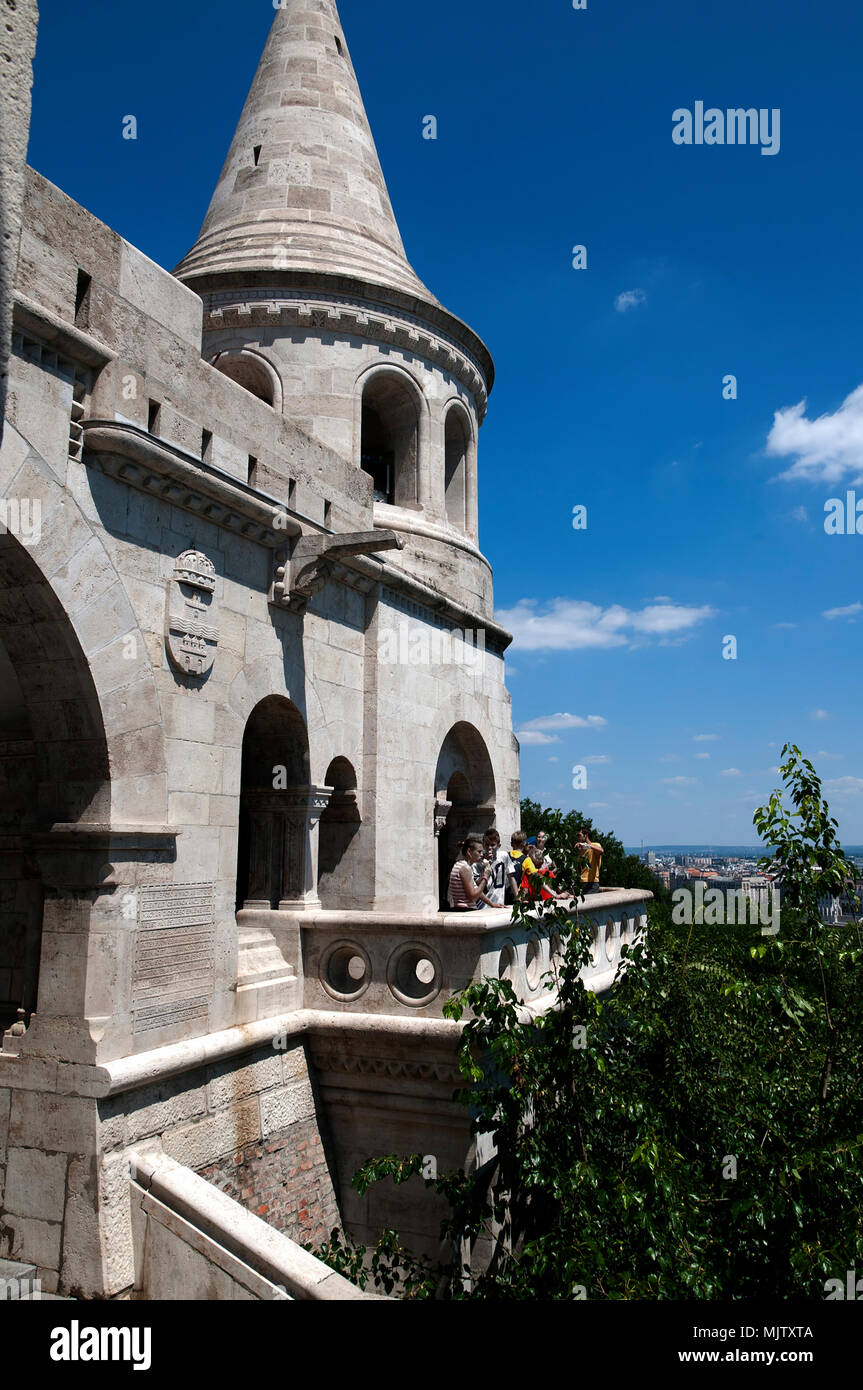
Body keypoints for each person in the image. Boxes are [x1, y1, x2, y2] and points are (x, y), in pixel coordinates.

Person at [448, 836, 498, 910]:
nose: (481, 855)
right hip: (466, 910)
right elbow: (473, 897)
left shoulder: (460, 865)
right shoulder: (465, 868)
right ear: (469, 852)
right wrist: (485, 878)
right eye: (479, 852)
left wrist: (491, 904)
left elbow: (475, 888)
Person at [477, 828, 509, 907]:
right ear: (483, 844)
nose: (489, 848)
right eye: (487, 845)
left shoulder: (504, 856)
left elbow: (511, 876)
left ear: (499, 846)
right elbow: (476, 885)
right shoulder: (477, 862)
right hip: (482, 905)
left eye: (492, 845)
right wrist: (486, 864)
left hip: (499, 901)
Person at [506, 830, 536, 902]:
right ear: (524, 844)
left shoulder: (505, 855)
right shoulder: (526, 860)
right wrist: (555, 894)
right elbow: (536, 878)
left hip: (502, 895)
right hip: (515, 896)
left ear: (511, 844)